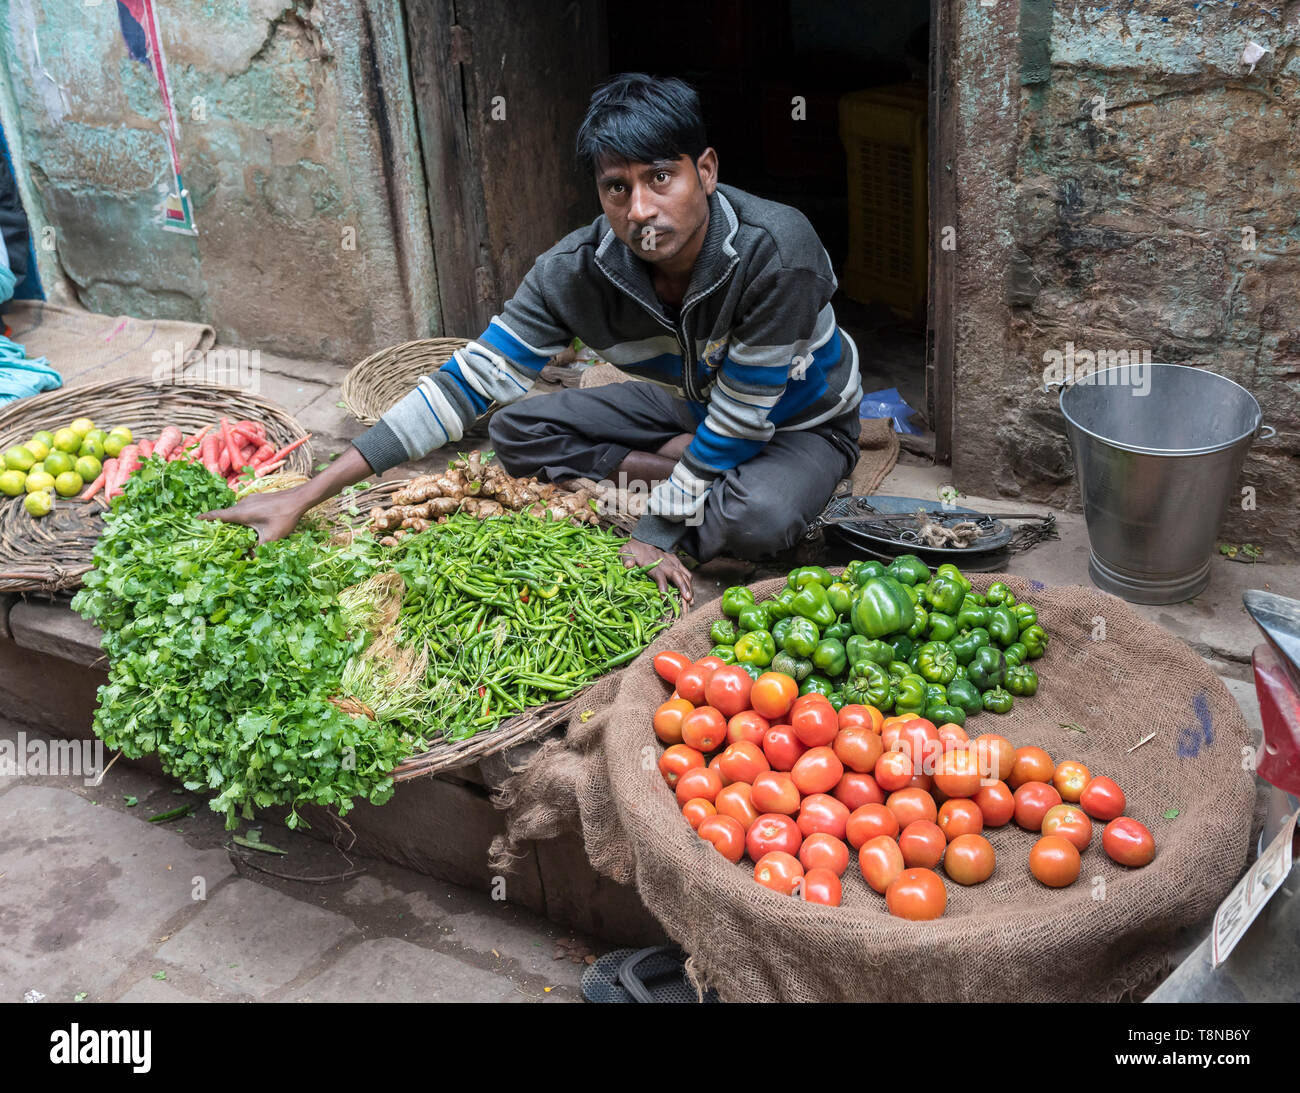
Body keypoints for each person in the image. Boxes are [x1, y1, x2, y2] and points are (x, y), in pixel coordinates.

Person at [202, 74, 863, 604]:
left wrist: (658, 529)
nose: (640, 209)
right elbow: (462, 385)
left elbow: (747, 415)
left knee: (757, 521)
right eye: (617, 187)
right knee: (514, 432)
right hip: (693, 402)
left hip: (802, 419)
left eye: (661, 177)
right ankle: (686, 466)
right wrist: (307, 491)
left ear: (707, 171)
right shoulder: (575, 272)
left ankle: (702, 478)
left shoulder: (778, 248)